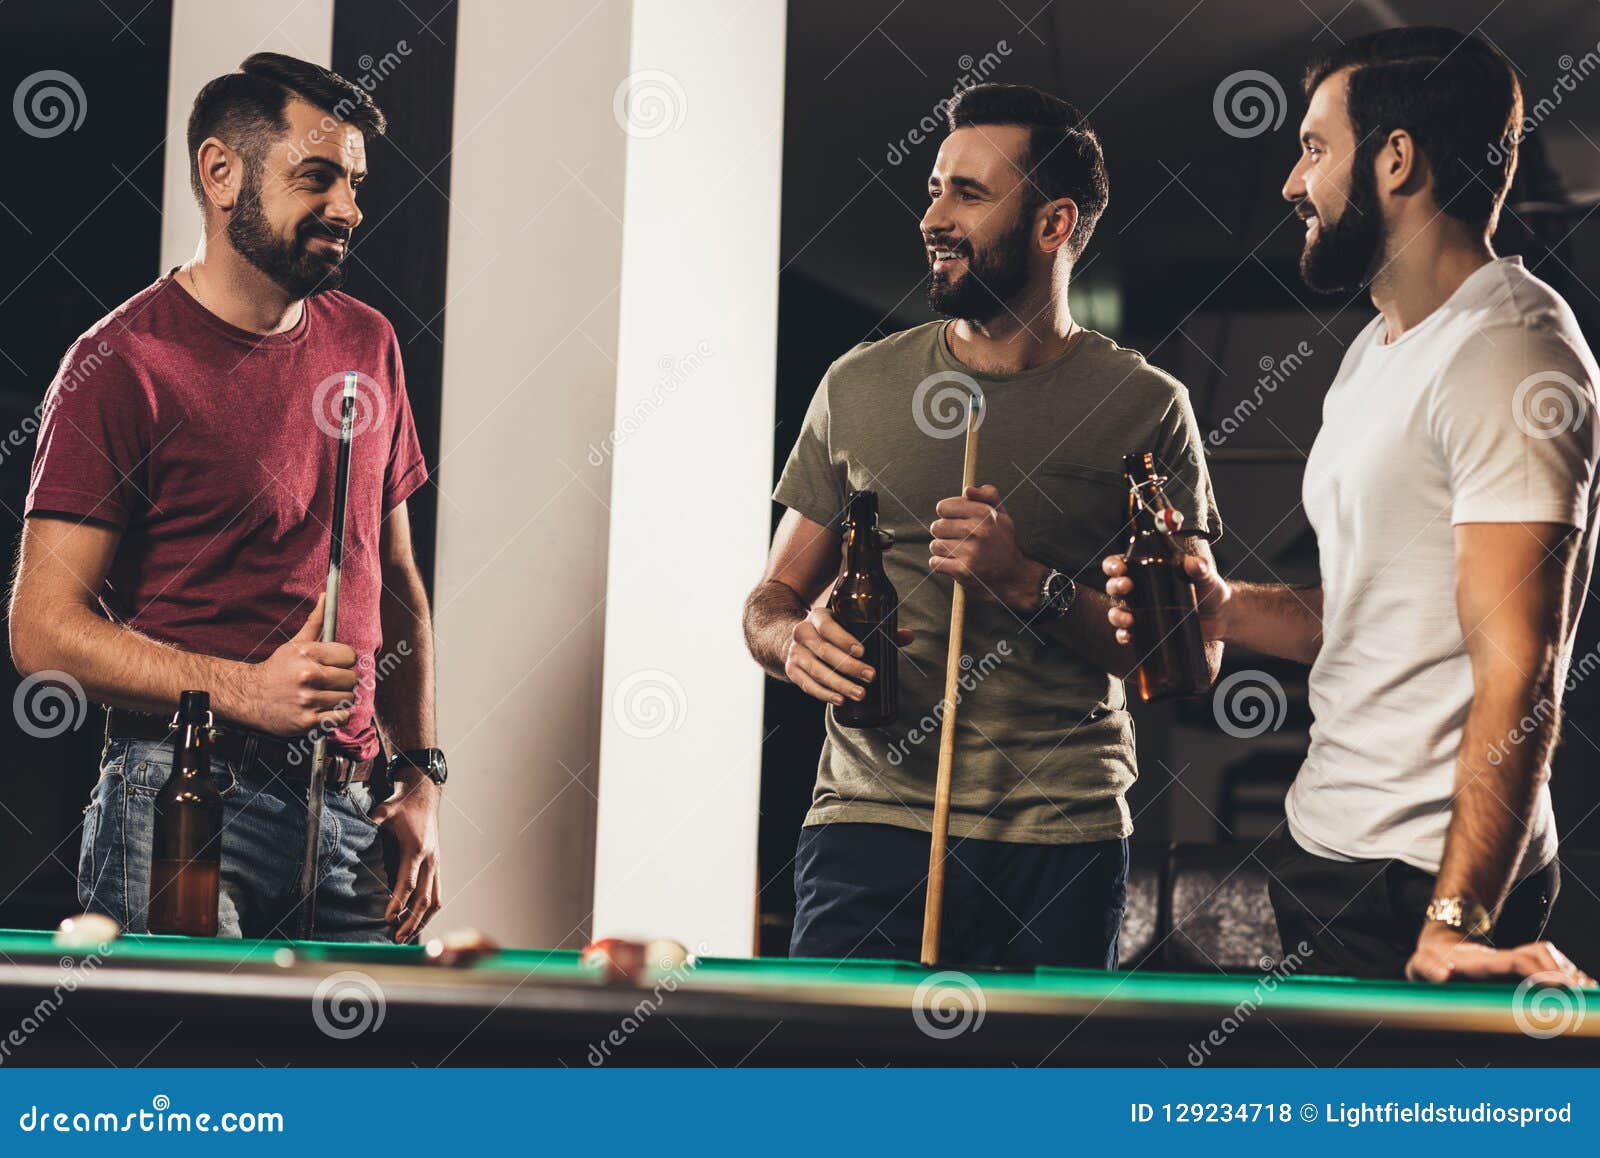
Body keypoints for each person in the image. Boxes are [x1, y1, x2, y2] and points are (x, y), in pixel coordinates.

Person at [1105, 27, 1596, 986]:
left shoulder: (1508, 354)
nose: (1295, 183)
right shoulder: (1376, 350)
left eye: (1315, 148)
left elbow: (1520, 673)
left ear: (1396, 158)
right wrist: (1224, 608)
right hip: (1324, 847)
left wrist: (1455, 922)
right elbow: (1379, 613)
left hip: (1422, 880)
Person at [744, 83, 1222, 968]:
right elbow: (771, 599)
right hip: (872, 821)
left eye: (969, 194)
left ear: (1053, 223)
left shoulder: (1147, 406)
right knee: (834, 1057)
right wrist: (790, 642)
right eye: (934, 190)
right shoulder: (858, 386)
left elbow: (1184, 655)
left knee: (1036, 1065)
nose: (934, 218)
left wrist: (1025, 583)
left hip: (1063, 834)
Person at [8, 53, 447, 943]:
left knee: (370, 1041)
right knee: (194, 1040)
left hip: (350, 817)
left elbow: (393, 577)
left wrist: (421, 774)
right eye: (316, 177)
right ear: (221, 174)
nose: (347, 209)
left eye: (355, 184)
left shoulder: (368, 343)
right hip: (182, 801)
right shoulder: (120, 364)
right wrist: (247, 690)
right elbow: (41, 630)